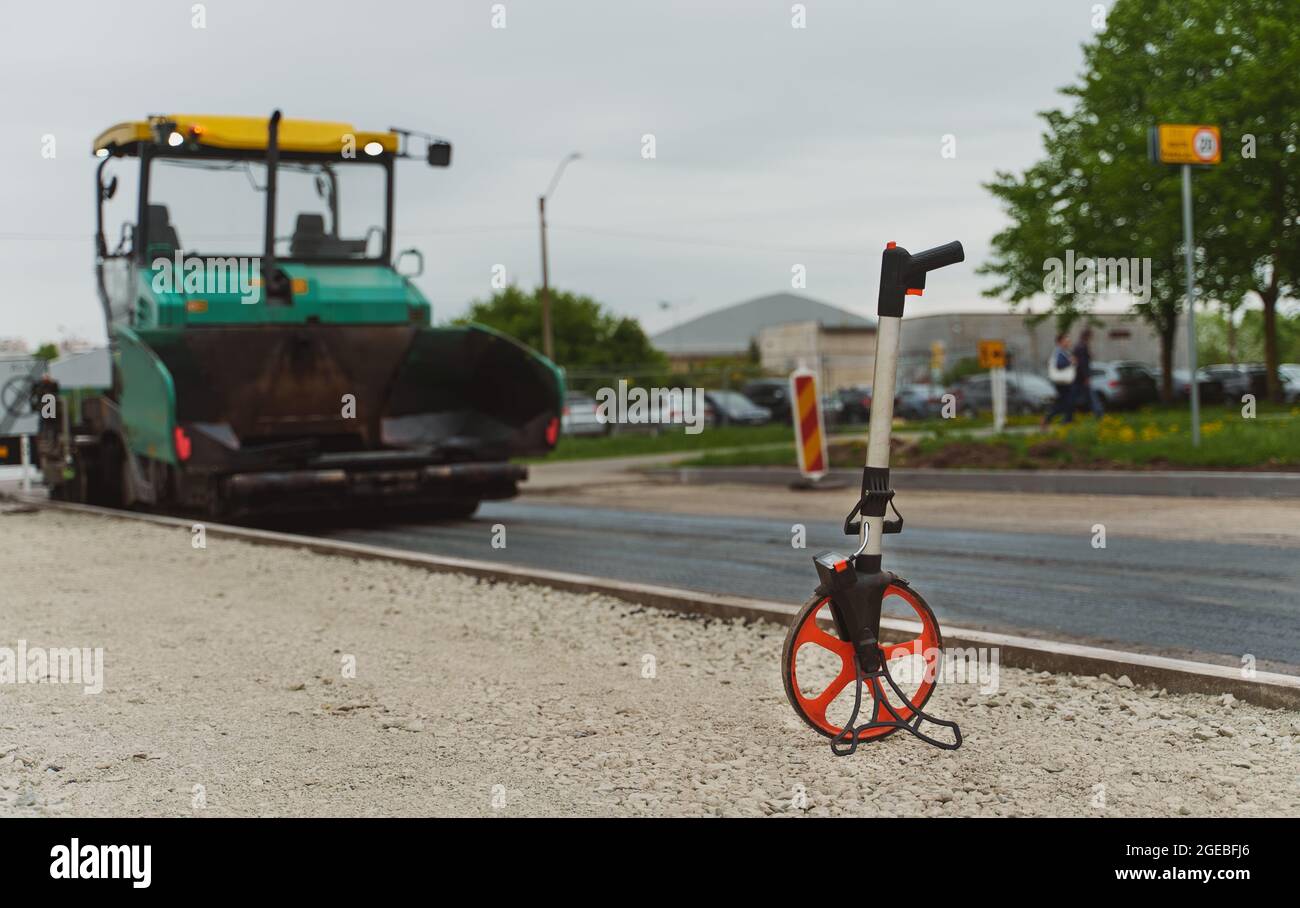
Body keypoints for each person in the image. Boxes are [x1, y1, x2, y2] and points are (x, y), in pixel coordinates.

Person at [1041, 333, 1075, 428]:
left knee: (1067, 402)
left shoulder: (1064, 352)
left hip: (1064, 381)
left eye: (1068, 341)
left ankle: (1066, 421)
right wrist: (1070, 362)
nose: (1068, 342)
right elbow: (1059, 365)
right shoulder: (1059, 352)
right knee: (1065, 402)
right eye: (1066, 341)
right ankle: (1049, 418)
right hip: (1062, 382)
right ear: (1060, 342)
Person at [1070, 329, 1104, 419]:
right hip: (1081, 377)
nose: (1091, 338)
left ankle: (1069, 416)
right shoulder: (1082, 346)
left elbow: (1077, 361)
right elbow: (1083, 363)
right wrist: (1086, 377)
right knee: (1091, 396)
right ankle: (1099, 413)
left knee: (1077, 396)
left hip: (1078, 376)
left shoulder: (1078, 346)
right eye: (1091, 336)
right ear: (1087, 336)